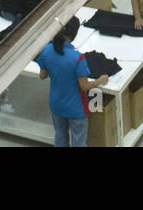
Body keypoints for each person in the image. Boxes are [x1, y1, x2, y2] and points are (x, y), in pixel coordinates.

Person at [35, 16, 109, 147]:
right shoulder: (77, 58)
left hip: (56, 104)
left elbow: (42, 75)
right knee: (79, 141)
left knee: (60, 135)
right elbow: (85, 86)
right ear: (74, 34)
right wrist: (100, 80)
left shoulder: (46, 50)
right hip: (76, 108)